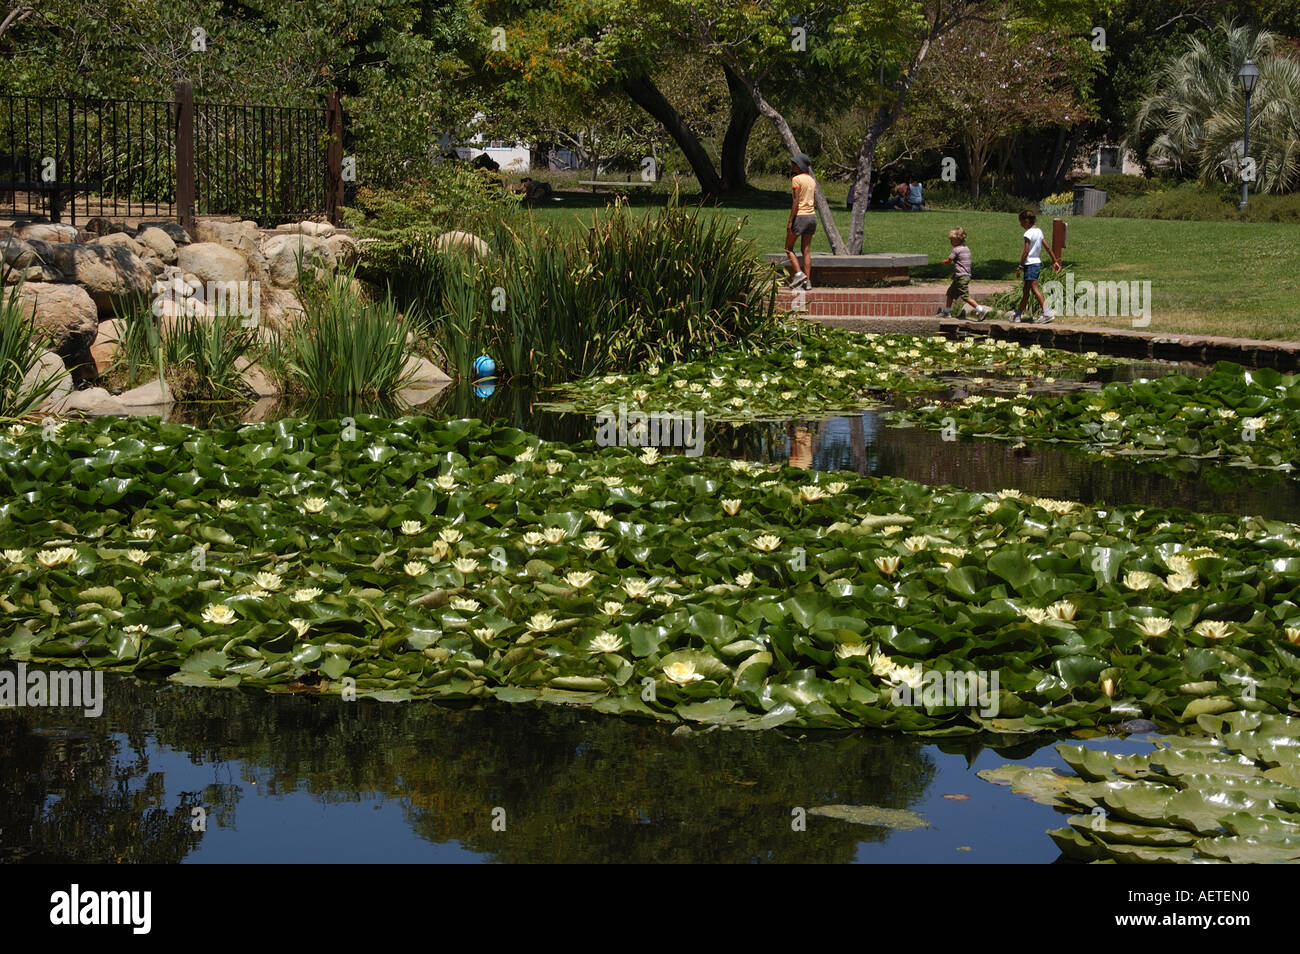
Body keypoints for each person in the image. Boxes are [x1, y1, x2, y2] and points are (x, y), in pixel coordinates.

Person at [1012, 208, 1061, 323]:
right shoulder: (1039, 231)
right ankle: (1018, 314)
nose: (1021, 224)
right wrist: (1055, 261)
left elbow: (1026, 251)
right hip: (1037, 263)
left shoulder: (1028, 233)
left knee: (1034, 289)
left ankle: (1047, 313)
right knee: (1026, 290)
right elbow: (1047, 247)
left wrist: (1020, 267)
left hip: (1030, 264)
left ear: (1027, 221)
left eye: (1021, 222)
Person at [938, 227, 990, 320]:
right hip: (964, 275)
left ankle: (981, 310)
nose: (950, 242)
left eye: (951, 240)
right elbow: (962, 264)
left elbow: (949, 261)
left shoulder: (956, 250)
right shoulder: (966, 249)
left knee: (965, 296)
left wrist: (944, 262)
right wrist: (956, 274)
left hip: (961, 277)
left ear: (957, 240)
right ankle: (947, 311)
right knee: (950, 293)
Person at [785, 153, 817, 290]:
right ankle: (807, 281)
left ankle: (799, 274)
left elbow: (796, 202)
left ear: (799, 166)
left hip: (801, 216)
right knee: (806, 250)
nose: (793, 166)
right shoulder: (811, 180)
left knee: (788, 248)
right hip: (812, 217)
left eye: (794, 164)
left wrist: (790, 221)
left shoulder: (796, 179)